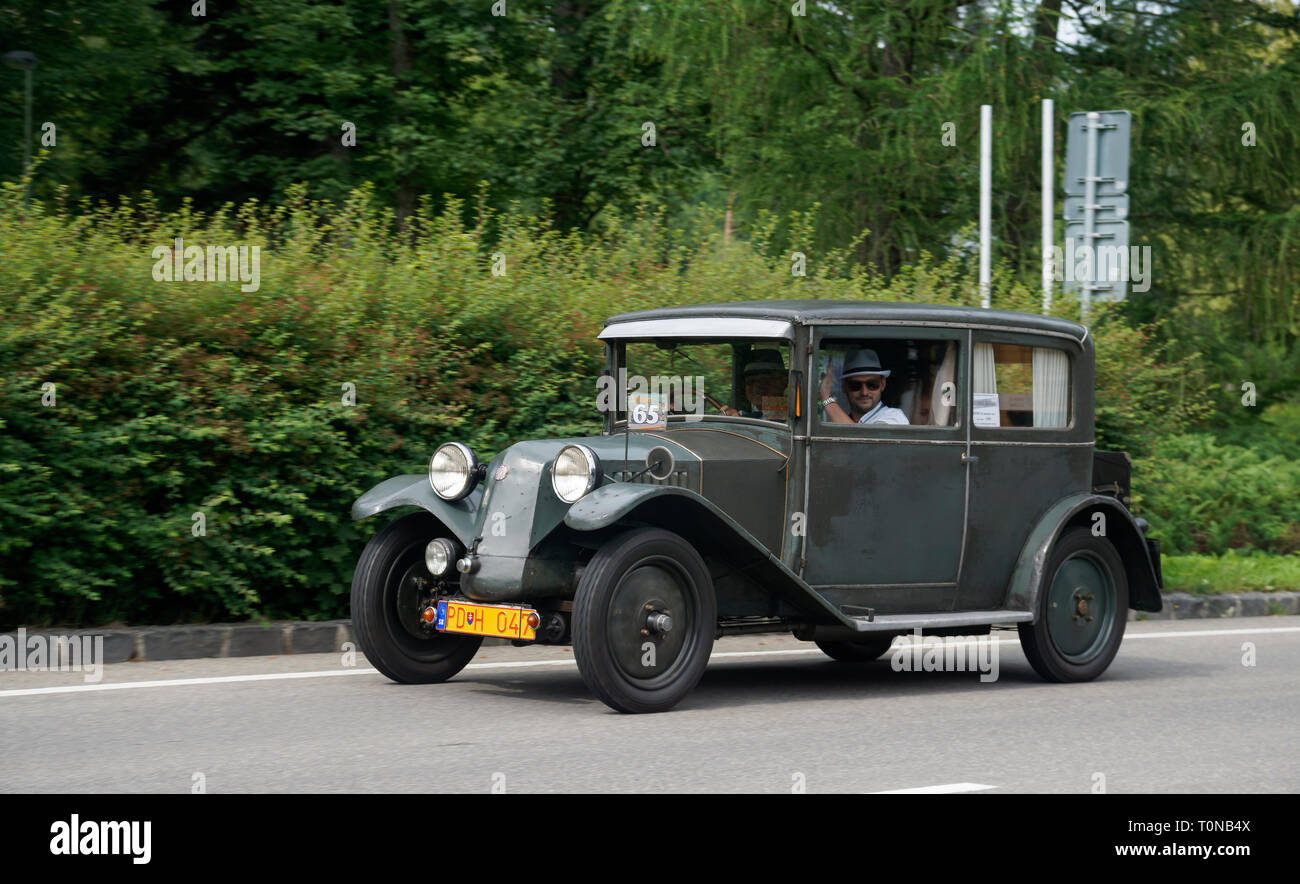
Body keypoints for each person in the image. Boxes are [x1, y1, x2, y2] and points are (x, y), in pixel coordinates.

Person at [819, 348, 909, 425]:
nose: (864, 392)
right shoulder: (839, 419)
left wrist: (826, 398)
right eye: (855, 385)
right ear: (844, 387)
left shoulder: (894, 417)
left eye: (872, 385)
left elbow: (862, 441)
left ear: (882, 384)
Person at [720, 350, 787, 418]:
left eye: (764, 381)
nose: (756, 387)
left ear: (783, 383)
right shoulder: (756, 415)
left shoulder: (790, 417)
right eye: (750, 382)